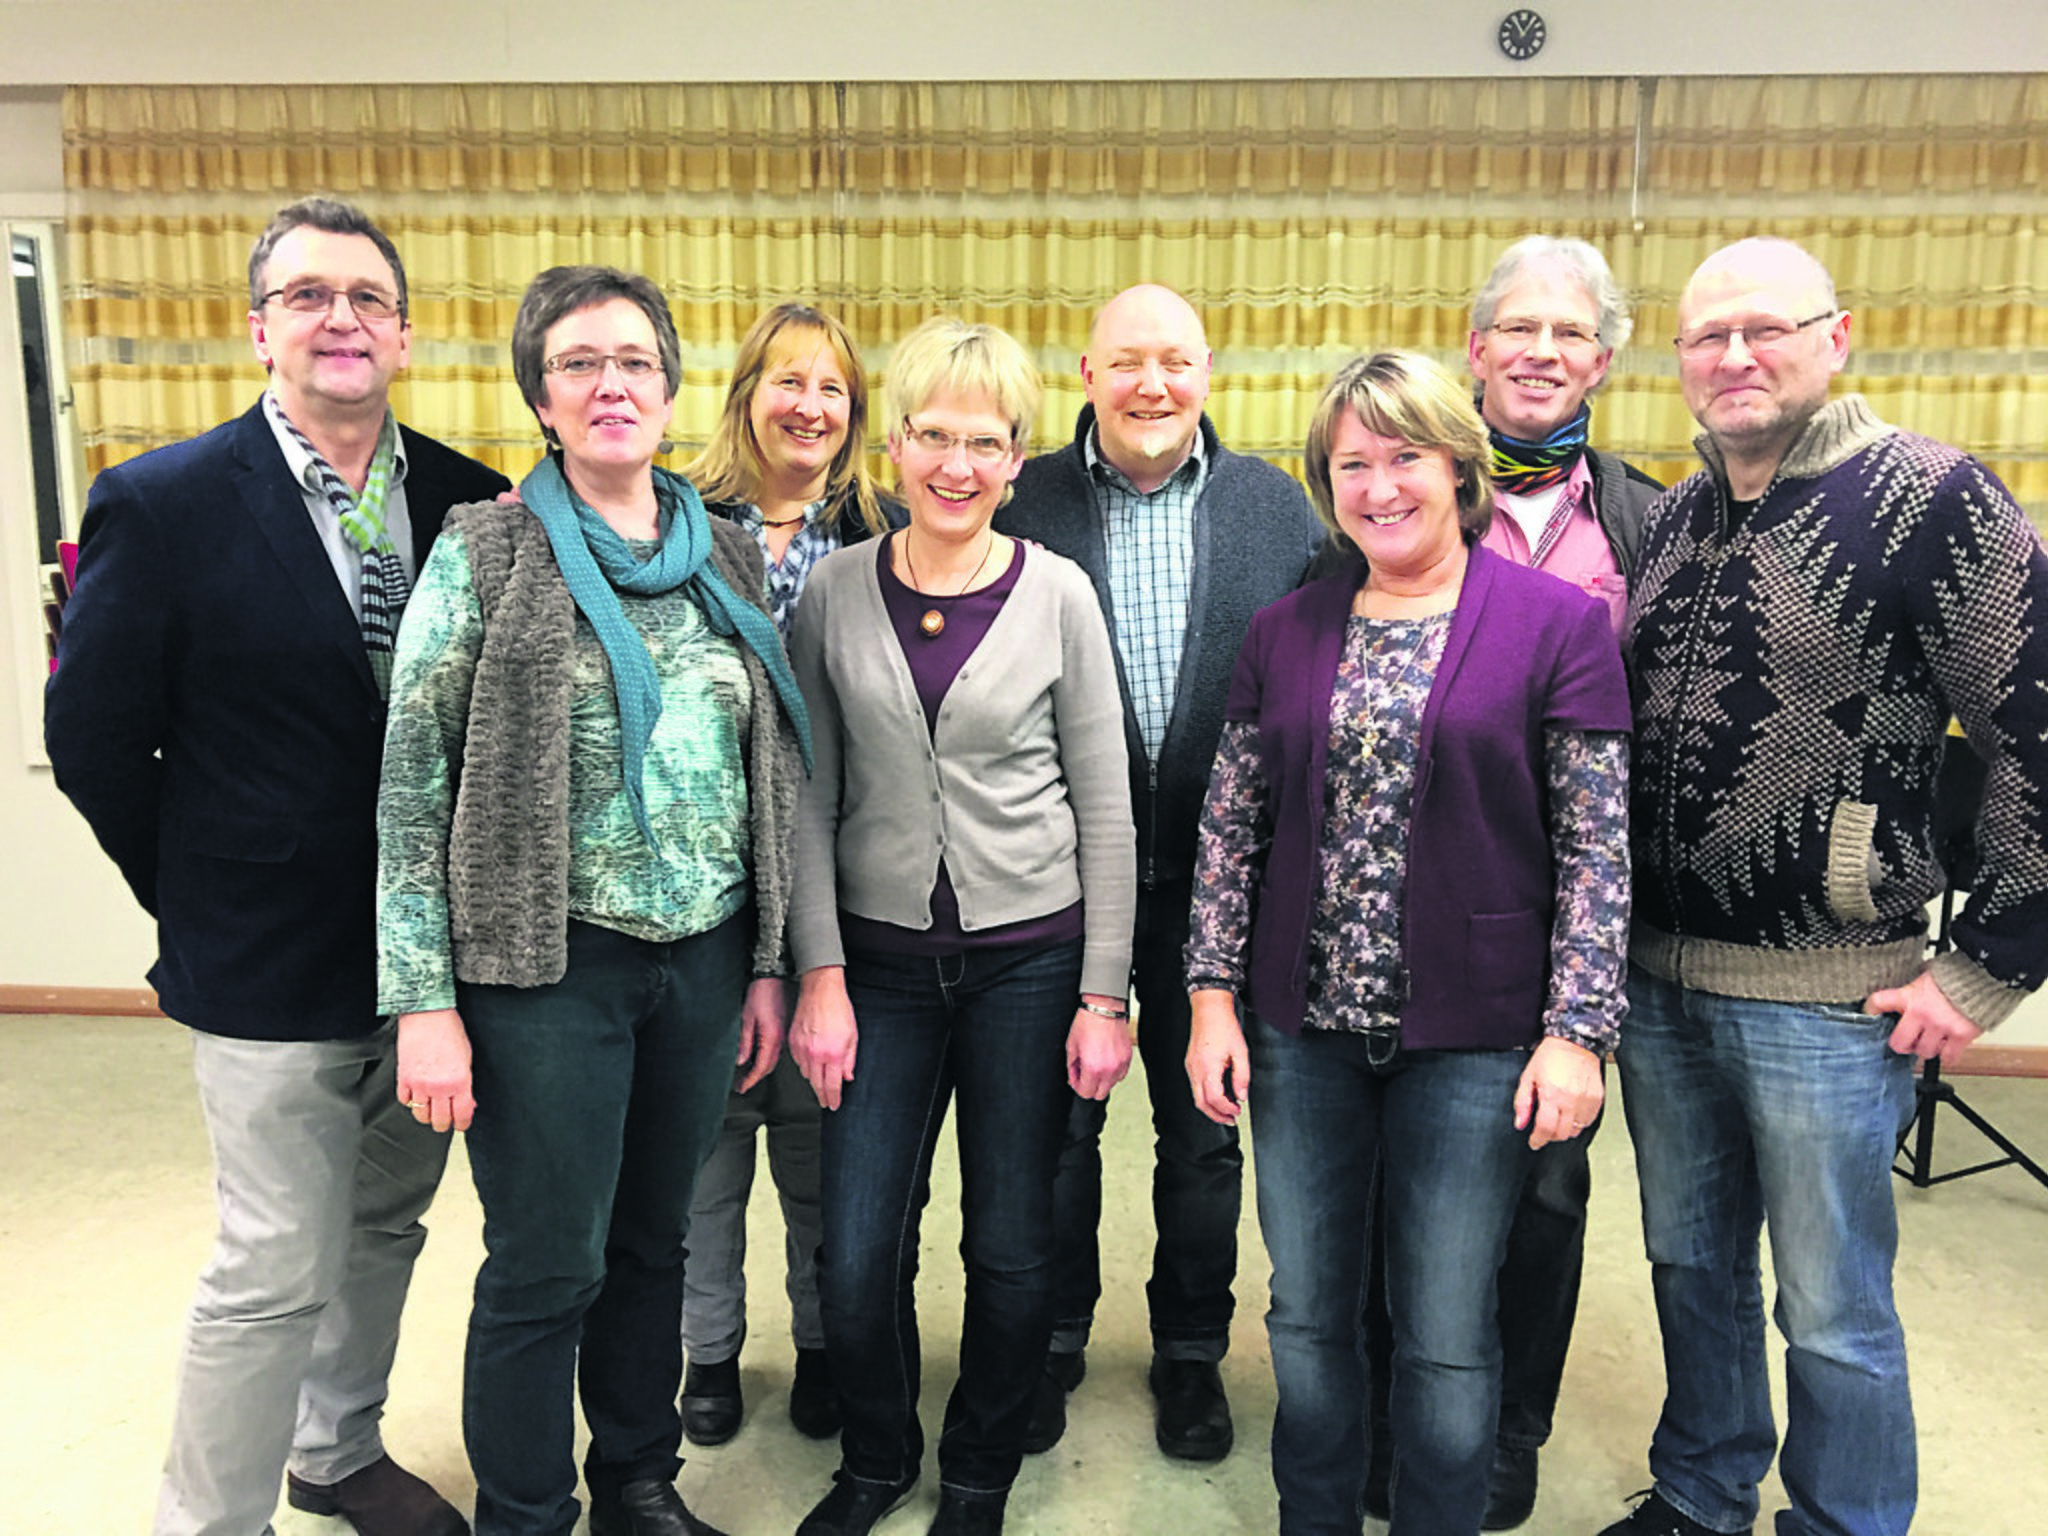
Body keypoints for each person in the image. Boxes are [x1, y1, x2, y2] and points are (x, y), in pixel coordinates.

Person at [44, 196, 507, 1536]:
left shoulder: (471, 501)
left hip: (430, 967)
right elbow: (93, 739)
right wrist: (197, 890)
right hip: (261, 960)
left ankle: (337, 1449)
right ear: (260, 330)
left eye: (367, 298)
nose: (340, 318)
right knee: (268, 1267)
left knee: (382, 1227)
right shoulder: (164, 501)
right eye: (308, 295)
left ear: (404, 335)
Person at [1603, 237, 2048, 1536]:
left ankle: (1842, 1522)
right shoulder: (1676, 517)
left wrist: (1988, 966)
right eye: (1707, 336)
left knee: (1831, 1304)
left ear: (1835, 337)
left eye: (1766, 329)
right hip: (1660, 985)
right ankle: (1700, 1493)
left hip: (1828, 1000)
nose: (1734, 356)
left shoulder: (1932, 499)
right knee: (1690, 1270)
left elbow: (2035, 727)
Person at [376, 265, 809, 1536]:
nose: (609, 383)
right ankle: (525, 1512)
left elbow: (766, 769)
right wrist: (423, 1003)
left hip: (704, 958)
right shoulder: (488, 548)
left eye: (633, 361)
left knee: (653, 1244)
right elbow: (412, 778)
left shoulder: (723, 550)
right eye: (577, 363)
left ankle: (636, 1482)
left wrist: (765, 963)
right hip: (542, 970)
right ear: (542, 397)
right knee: (546, 1262)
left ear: (669, 391)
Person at [1183, 350, 1632, 1536]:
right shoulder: (1283, 631)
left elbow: (1596, 848)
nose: (1379, 487)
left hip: (1477, 1041)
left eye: (1404, 457)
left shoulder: (1555, 627)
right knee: (1305, 1314)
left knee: (1442, 1330)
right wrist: (1211, 997)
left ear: (1457, 467)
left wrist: (1577, 1033)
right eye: (1352, 464)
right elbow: (1230, 826)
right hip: (1301, 1035)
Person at [786, 315, 1136, 1536]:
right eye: (933, 435)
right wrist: (819, 973)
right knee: (857, 1249)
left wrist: (1102, 995)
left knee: (1012, 1242)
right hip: (876, 969)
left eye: (983, 442)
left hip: (1029, 964)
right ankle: (876, 1456)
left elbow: (1104, 806)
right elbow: (808, 797)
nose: (955, 464)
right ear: (892, 446)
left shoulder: (1059, 595)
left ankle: (979, 1469)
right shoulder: (832, 592)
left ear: (1016, 458)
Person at [1357, 233, 1664, 1531]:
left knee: (1542, 1186)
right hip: (1401, 906)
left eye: (1570, 332)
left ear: (1602, 361)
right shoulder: (1403, 491)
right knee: (1392, 1179)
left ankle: (1506, 1427)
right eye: (1519, 329)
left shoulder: (1649, 520)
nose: (1542, 352)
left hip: (1564, 913)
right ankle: (1389, 1413)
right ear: (1475, 350)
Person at [995, 282, 1323, 1461]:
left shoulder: (1274, 511)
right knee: (1054, 1130)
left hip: (1216, 888)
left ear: (1207, 372)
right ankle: (1048, 1340)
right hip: (1056, 880)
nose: (1151, 385)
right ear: (1084, 374)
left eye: (1174, 361)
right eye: (1126, 361)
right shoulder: (1020, 499)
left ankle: (1189, 1351)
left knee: (1201, 1135)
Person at [677, 301, 899, 1447]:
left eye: (832, 390)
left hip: (835, 886)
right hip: (704, 884)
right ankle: (708, 1352)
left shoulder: (885, 532)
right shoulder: (673, 520)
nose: (809, 407)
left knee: (821, 1151)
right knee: (705, 1155)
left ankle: (821, 1346)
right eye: (787, 381)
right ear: (746, 393)